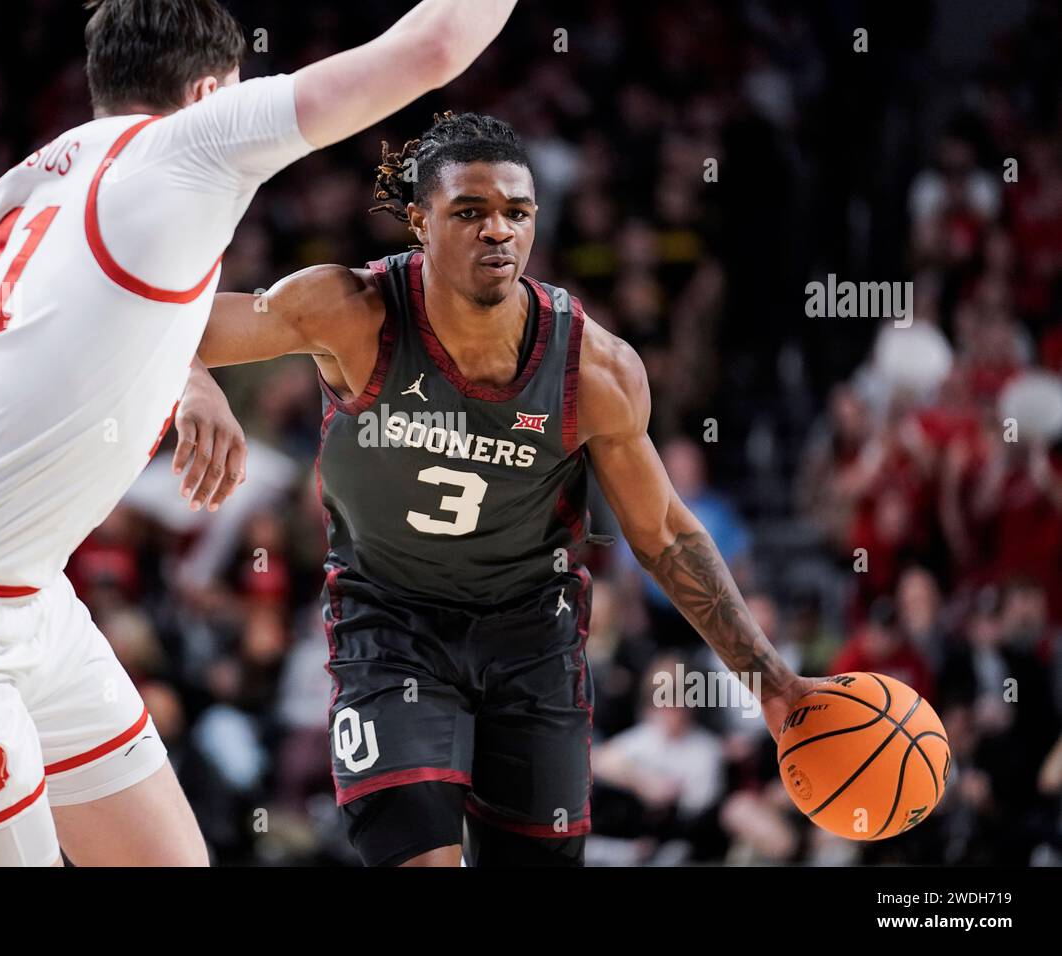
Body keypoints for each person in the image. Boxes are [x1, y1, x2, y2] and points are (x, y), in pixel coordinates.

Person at [0, 0, 520, 867]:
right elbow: (432, 45)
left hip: (26, 604)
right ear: (213, 91)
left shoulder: (28, 186)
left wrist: (179, 366)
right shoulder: (195, 145)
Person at [180, 112, 812, 866]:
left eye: (516, 212)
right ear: (419, 221)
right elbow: (171, 324)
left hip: (531, 638)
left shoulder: (596, 369)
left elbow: (666, 535)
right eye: (470, 212)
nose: (498, 232)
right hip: (390, 624)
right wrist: (193, 384)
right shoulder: (349, 310)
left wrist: (772, 680)